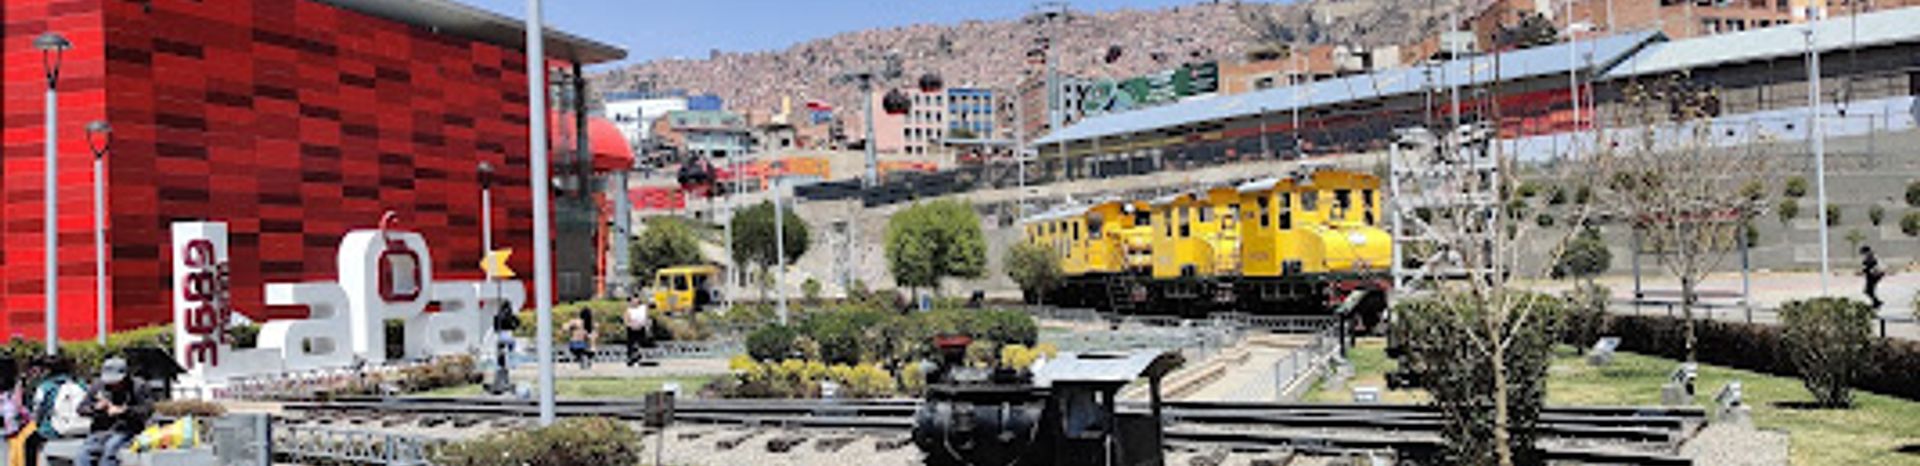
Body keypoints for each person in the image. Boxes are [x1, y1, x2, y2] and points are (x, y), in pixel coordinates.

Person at [75, 358, 148, 466]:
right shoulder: (98, 386)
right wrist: (95, 408)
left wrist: (125, 411)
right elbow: (81, 409)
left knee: (111, 449)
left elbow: (147, 410)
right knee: (83, 454)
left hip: (126, 430)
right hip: (100, 431)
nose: (113, 385)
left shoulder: (138, 386)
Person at [624, 297, 653, 367]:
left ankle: (637, 359)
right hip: (632, 329)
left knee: (639, 345)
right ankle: (631, 359)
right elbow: (626, 320)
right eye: (633, 300)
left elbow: (649, 307)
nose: (635, 301)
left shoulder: (643, 308)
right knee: (632, 345)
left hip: (641, 329)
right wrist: (630, 324)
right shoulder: (629, 310)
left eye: (636, 299)